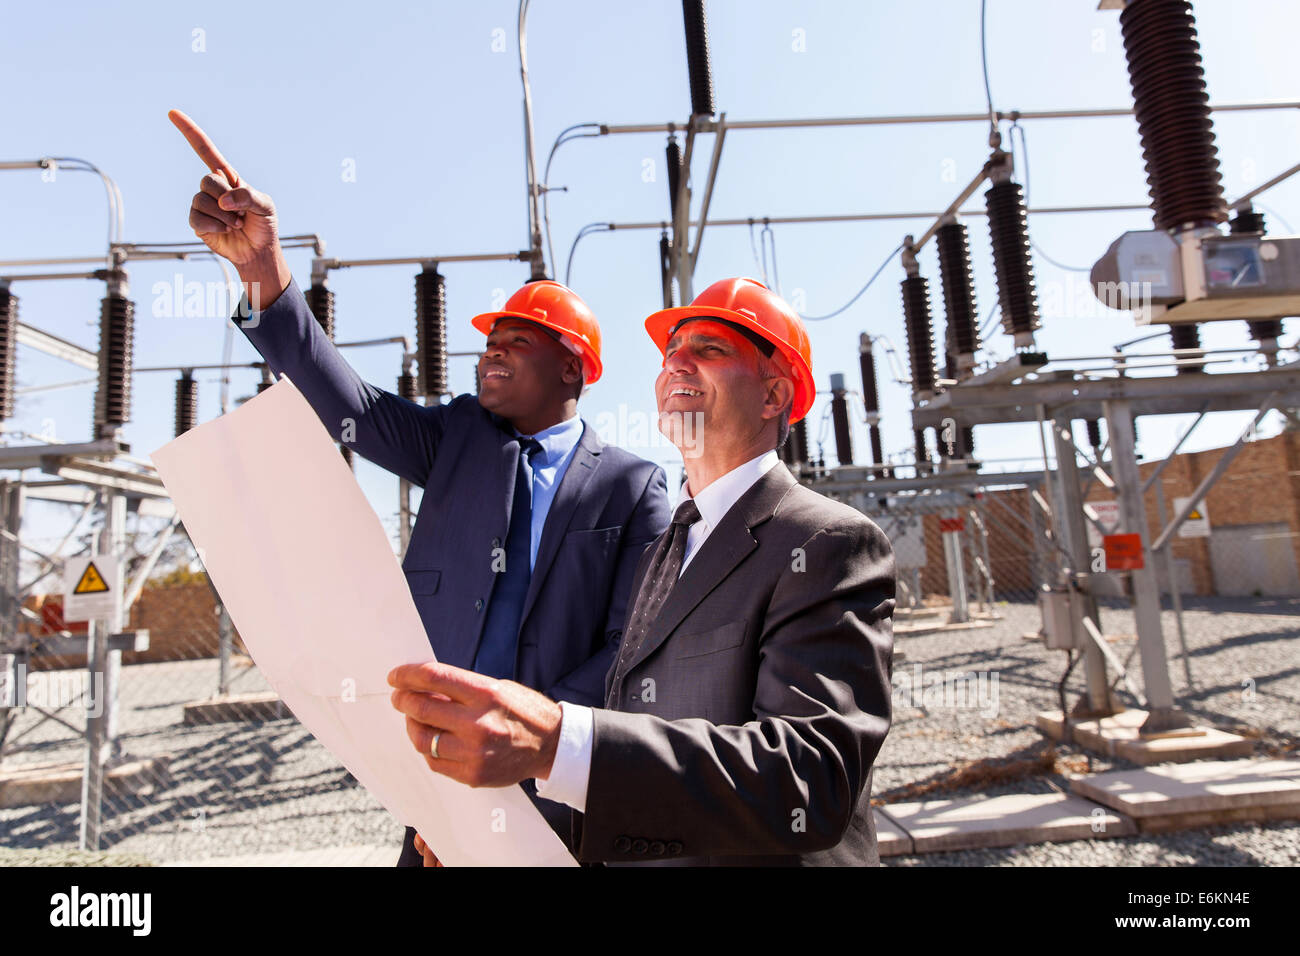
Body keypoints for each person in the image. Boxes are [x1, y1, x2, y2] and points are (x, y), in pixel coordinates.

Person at [169, 109, 671, 865]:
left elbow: (632, 647)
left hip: (557, 789)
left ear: (573, 369)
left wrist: (527, 747)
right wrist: (264, 273)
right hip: (434, 784)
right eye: (487, 345)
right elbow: (352, 408)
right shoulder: (457, 440)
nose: (489, 356)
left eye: (515, 344)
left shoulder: (633, 488)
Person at [390, 277, 896, 865]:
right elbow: (635, 752)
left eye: (709, 349)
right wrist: (500, 831)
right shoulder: (666, 550)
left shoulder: (825, 541)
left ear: (773, 395)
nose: (675, 363)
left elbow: (810, 778)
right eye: (669, 353)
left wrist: (556, 741)